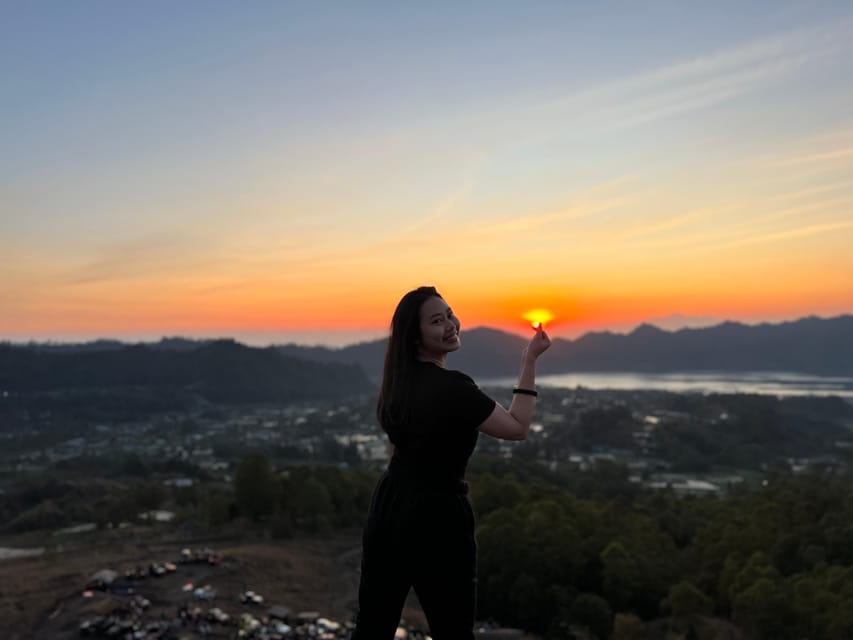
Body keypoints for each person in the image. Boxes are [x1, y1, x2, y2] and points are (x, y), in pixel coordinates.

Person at [351, 285, 551, 640]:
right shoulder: (454, 388)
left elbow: (404, 448)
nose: (450, 324)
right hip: (439, 517)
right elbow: (517, 427)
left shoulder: (397, 382)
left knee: (373, 627)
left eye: (449, 314)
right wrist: (530, 360)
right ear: (416, 336)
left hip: (390, 504)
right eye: (436, 320)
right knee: (453, 629)